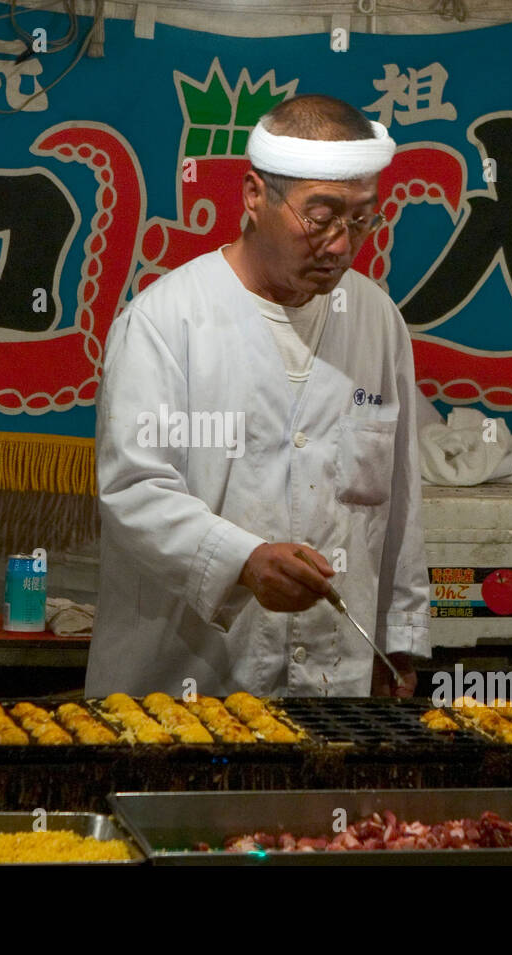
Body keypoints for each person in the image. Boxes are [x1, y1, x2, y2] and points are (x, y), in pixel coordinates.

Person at [85, 94, 430, 698]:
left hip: (334, 688)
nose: (341, 245)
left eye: (360, 219)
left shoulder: (376, 318)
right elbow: (133, 490)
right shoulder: (167, 321)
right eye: (320, 218)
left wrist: (398, 638)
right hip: (186, 686)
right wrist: (243, 560)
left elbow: (398, 499)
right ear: (253, 196)